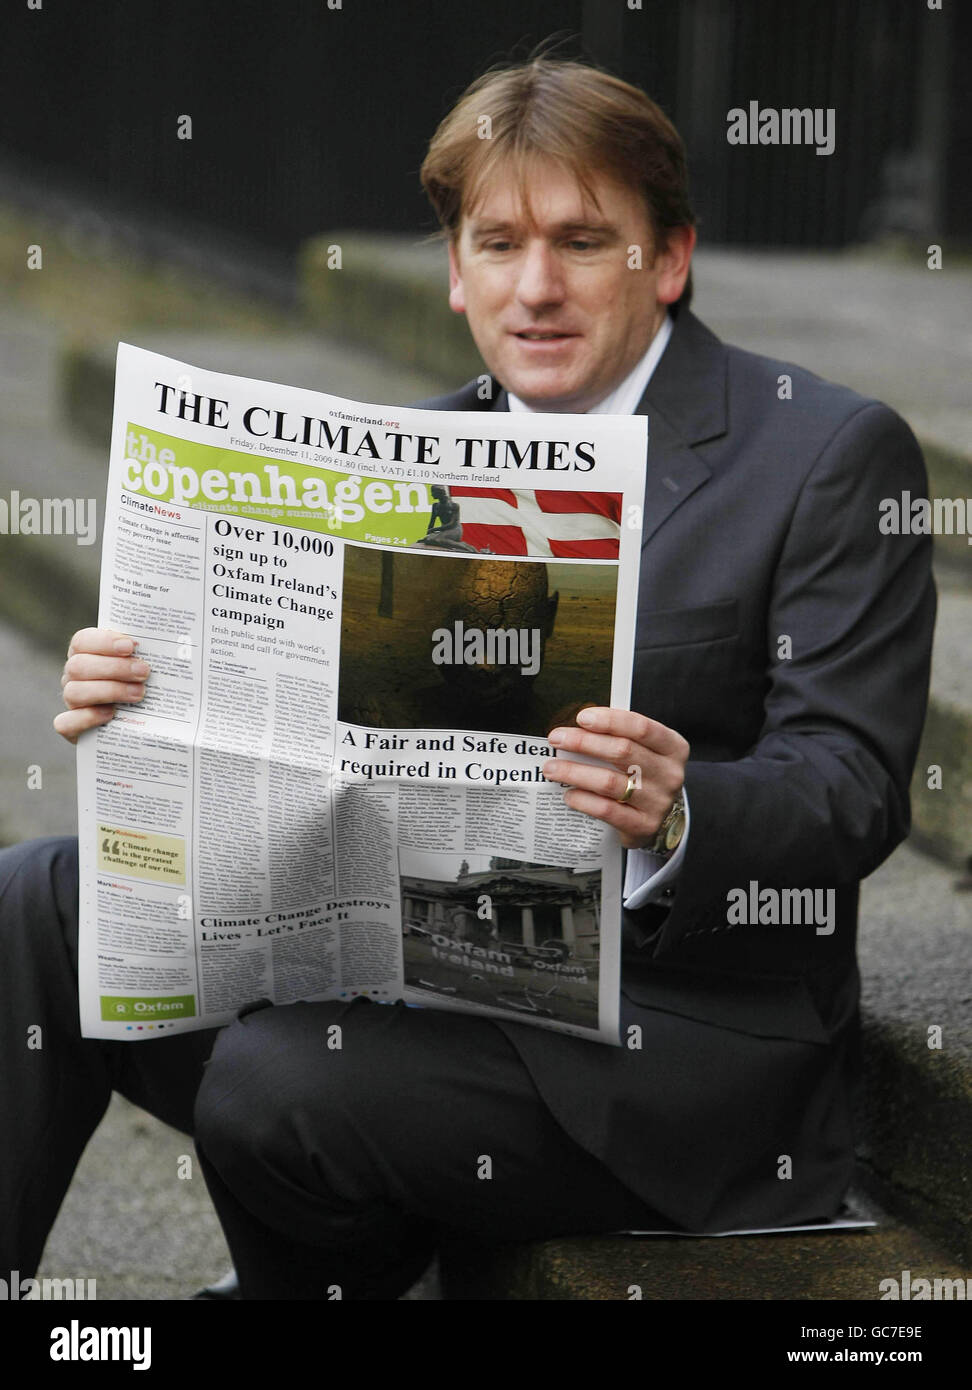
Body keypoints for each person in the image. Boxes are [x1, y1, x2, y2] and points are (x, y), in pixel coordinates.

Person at [1, 55, 935, 1299]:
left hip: (665, 1047)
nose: (535, 287)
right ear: (455, 271)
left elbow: (854, 788)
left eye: (581, 241)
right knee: (39, 900)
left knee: (280, 1080)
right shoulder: (408, 466)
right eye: (497, 243)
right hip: (415, 978)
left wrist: (682, 805)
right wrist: (141, 711)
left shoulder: (825, 454)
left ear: (668, 260)